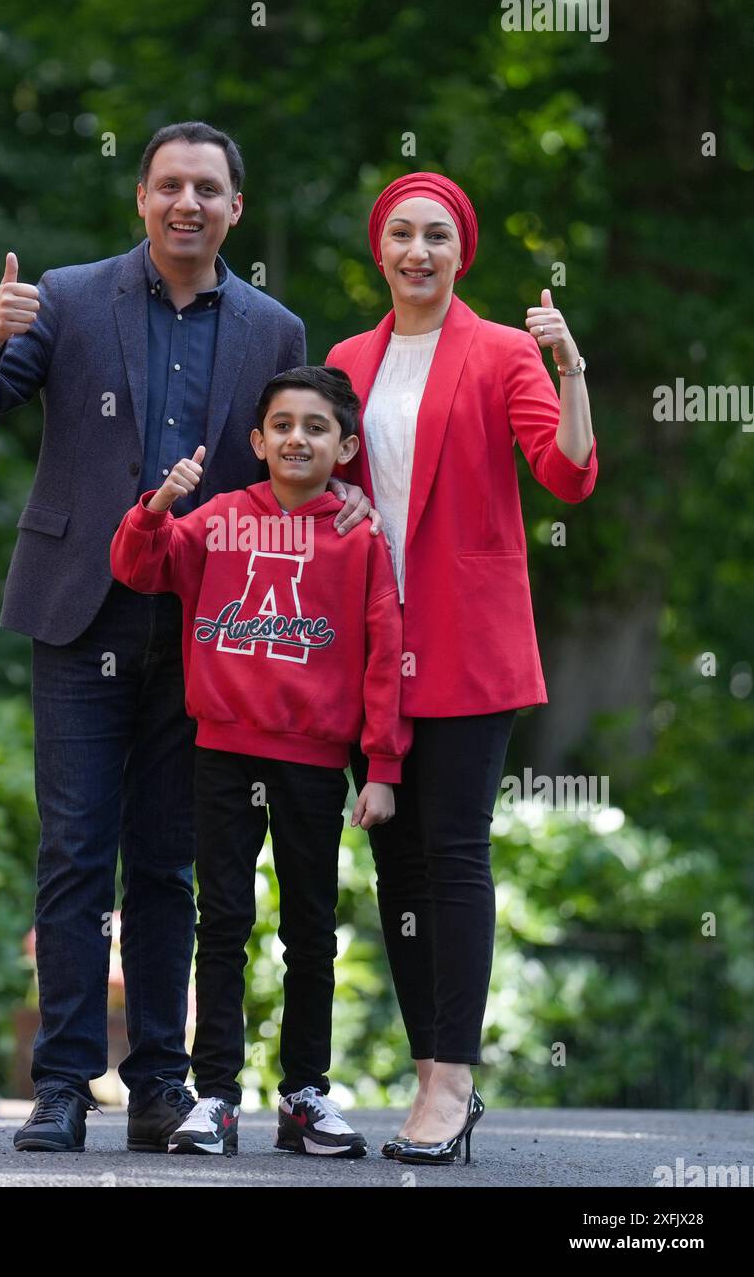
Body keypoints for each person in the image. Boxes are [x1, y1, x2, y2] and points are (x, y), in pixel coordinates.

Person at [0, 122, 376, 1154]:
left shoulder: (274, 328)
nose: (187, 203)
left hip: (210, 629)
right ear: (141, 199)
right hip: (77, 606)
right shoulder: (71, 295)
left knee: (170, 864)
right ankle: (61, 1086)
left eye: (207, 190)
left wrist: (347, 507)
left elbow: (298, 455)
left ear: (234, 210)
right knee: (75, 850)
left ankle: (162, 1087)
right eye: (169, 185)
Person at [326, 171, 598, 1165]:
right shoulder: (347, 358)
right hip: (369, 642)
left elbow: (567, 472)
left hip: (469, 638)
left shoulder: (499, 351)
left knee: (451, 855)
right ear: (380, 247)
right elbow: (321, 478)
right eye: (400, 233)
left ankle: (451, 1077)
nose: (417, 251)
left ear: (461, 249)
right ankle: (424, 1066)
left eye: (435, 235)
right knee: (394, 861)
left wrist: (568, 368)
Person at [110, 365, 412, 1157]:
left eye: (316, 427)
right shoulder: (217, 521)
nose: (296, 439)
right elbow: (138, 566)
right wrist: (159, 505)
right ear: (258, 440)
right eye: (282, 425)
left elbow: (385, 653)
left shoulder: (357, 534)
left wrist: (381, 765)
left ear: (344, 447)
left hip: (314, 760)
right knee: (223, 926)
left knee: (311, 931)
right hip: (223, 751)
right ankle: (215, 1097)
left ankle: (305, 1095)